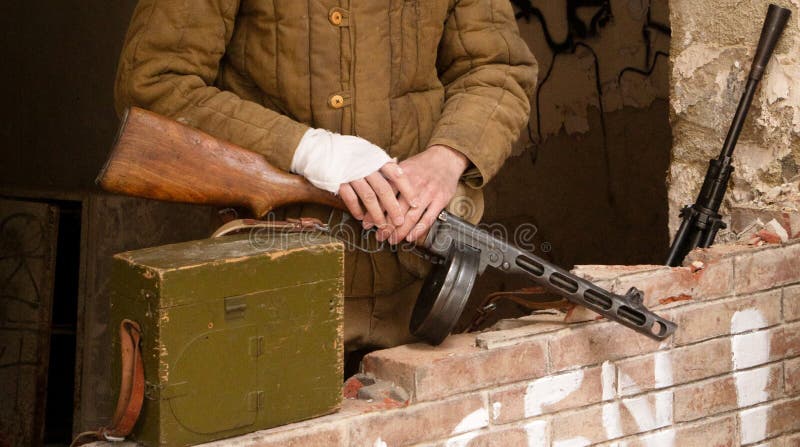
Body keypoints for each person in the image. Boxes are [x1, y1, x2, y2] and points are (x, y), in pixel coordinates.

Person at [114, 0, 537, 351]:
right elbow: (154, 83)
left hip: (417, 296)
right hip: (268, 294)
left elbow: (497, 69)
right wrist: (307, 149)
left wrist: (447, 157)